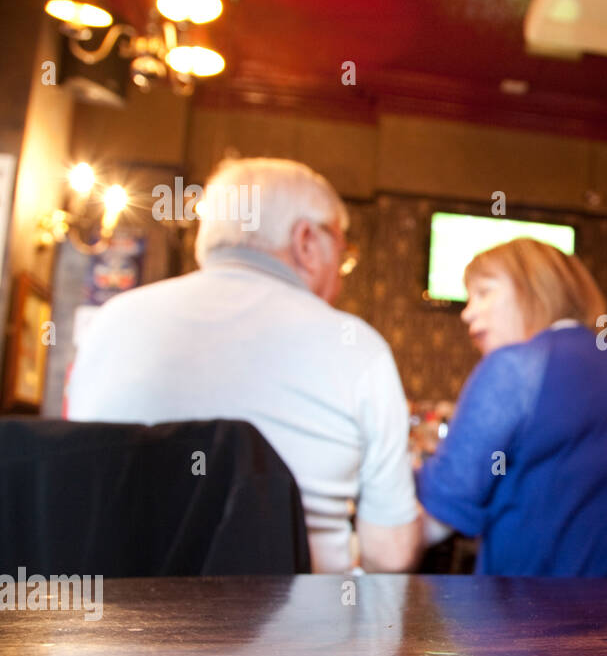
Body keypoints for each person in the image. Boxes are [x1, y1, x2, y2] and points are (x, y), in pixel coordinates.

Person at [66, 158, 420, 573]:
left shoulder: (111, 321)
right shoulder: (359, 348)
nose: (340, 277)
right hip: (298, 634)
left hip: (112, 626)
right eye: (342, 254)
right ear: (306, 241)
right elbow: (390, 557)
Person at [417, 238, 607, 577]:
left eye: (483, 293)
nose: (467, 311)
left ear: (532, 290)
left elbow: (435, 522)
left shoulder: (513, 366)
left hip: (536, 616)